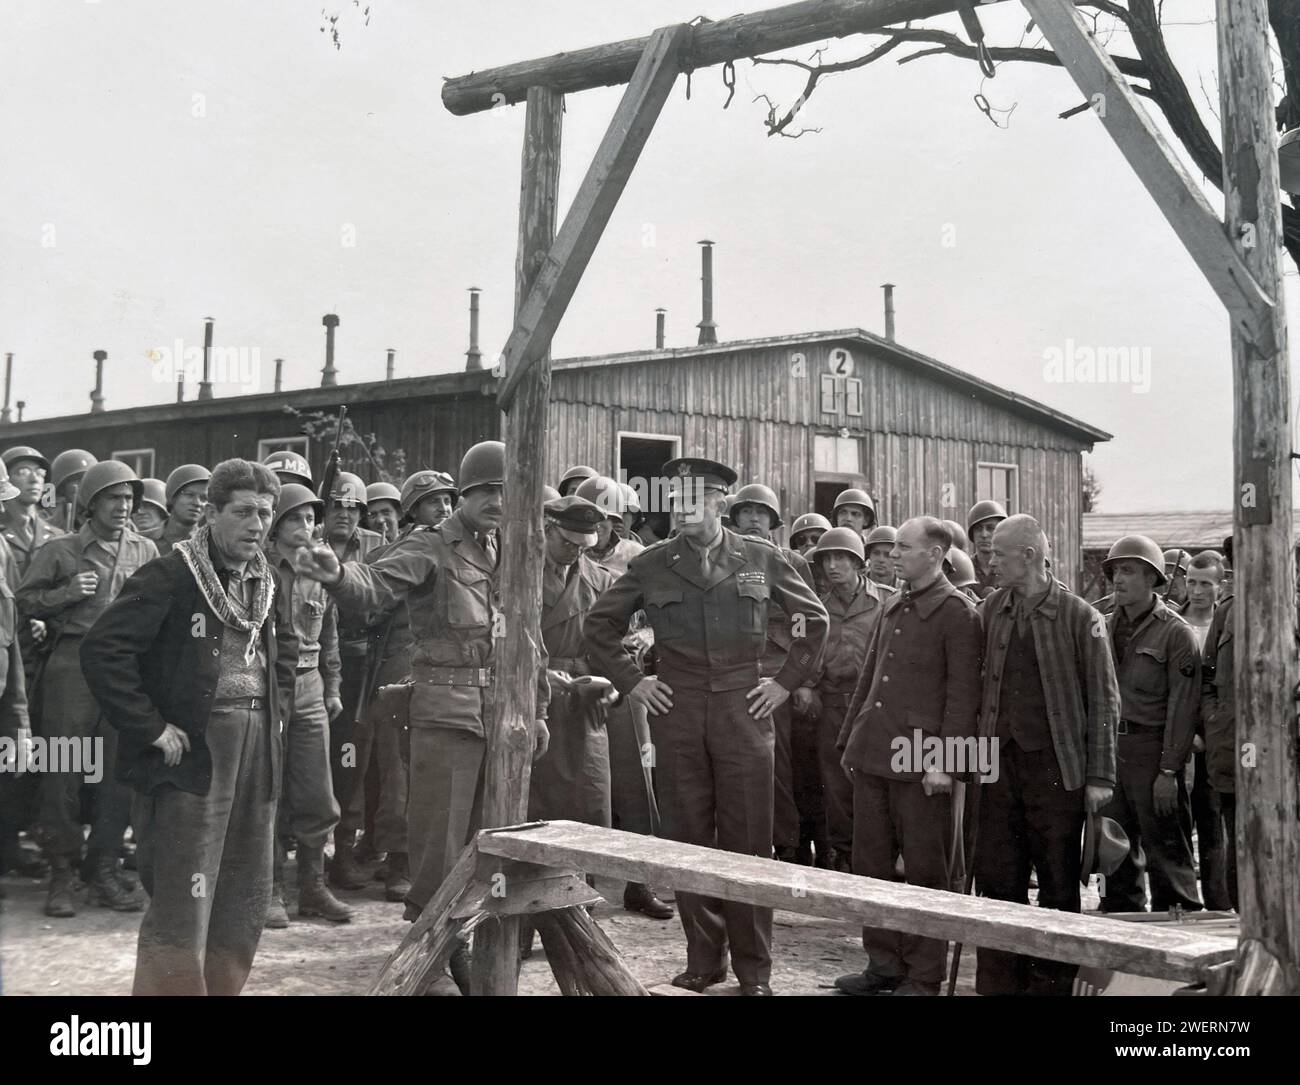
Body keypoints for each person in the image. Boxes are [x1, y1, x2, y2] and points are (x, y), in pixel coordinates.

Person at [293, 441, 549, 991]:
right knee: (439, 844)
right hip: (444, 714)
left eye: (505, 492)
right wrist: (337, 574)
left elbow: (529, 636)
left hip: (502, 718)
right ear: (463, 495)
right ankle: (429, 948)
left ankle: (473, 944)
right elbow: (374, 587)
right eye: (483, 491)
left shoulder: (514, 548)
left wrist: (539, 707)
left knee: (492, 841)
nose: (495, 502)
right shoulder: (430, 546)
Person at [585, 457, 828, 996]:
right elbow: (599, 627)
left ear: (722, 504)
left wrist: (785, 682)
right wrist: (635, 682)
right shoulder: (652, 564)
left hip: (746, 710)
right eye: (675, 501)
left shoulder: (760, 559)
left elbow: (813, 619)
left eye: (695, 500)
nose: (683, 510)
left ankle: (754, 972)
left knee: (748, 843)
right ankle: (704, 960)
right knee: (687, 837)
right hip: (678, 710)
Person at [81, 458, 294, 995]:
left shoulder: (267, 580)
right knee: (183, 898)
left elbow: (284, 657)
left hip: (256, 747)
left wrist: (276, 723)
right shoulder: (170, 574)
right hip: (194, 755)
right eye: (243, 512)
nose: (256, 525)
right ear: (212, 513)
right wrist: (150, 727)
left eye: (265, 514)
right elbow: (103, 649)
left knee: (244, 892)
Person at [973, 515, 1120, 995]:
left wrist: (1100, 775)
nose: (990, 561)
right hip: (997, 765)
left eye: (999, 554)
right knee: (998, 876)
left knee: (1058, 879)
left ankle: (1051, 983)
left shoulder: (1080, 617)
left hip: (1058, 769)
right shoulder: (992, 609)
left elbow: (1104, 699)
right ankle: (1000, 983)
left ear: (1030, 556)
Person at [835, 517, 981, 997]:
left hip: (922, 761)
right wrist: (849, 742)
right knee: (870, 865)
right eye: (892, 546)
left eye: (905, 547)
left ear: (937, 554)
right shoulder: (894, 603)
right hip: (875, 752)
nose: (893, 554)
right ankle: (884, 964)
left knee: (924, 870)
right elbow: (870, 679)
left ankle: (923, 975)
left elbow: (963, 697)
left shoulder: (958, 612)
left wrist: (945, 763)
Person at [19, 460, 158, 918]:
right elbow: (25, 600)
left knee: (119, 771)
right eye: (114, 498)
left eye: (130, 499)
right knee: (65, 767)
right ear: (91, 503)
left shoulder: (146, 550)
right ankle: (62, 869)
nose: (124, 506)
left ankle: (103, 867)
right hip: (72, 663)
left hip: (123, 669)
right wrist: (67, 595)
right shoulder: (62, 550)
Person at [575, 475, 670, 919]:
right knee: (581, 785)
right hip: (576, 679)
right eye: (595, 519)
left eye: (612, 520)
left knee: (638, 781)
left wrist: (646, 637)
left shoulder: (641, 558)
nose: (603, 529)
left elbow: (656, 617)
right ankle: (581, 885)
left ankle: (639, 882)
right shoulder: (564, 553)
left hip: (627, 678)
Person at [1097, 535, 1202, 913]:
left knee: (1168, 859)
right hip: (1111, 755)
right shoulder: (1102, 628)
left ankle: (1179, 952)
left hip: (1153, 754)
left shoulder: (1176, 633)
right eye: (1114, 572)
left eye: (1128, 571)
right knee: (1114, 858)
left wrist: (1169, 770)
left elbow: (1183, 707)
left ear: (1151, 578)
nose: (1118, 579)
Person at [264, 483, 350, 926]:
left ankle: (313, 887)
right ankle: (269, 890)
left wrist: (332, 687)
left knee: (317, 791)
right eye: (296, 518)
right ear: (276, 524)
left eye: (312, 518)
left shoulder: (320, 567)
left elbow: (330, 633)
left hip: (311, 684)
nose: (307, 526)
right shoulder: (258, 568)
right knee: (270, 788)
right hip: (267, 685)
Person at [729, 482, 818, 864]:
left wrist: (800, 681)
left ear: (773, 522)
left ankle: (785, 844)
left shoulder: (790, 563)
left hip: (775, 677)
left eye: (760, 513)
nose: (752, 519)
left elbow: (807, 622)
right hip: (733, 674)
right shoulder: (722, 560)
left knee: (776, 763)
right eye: (745, 512)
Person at [806, 527, 891, 873]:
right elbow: (807, 652)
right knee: (835, 782)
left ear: (858, 563)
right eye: (827, 559)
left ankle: (878, 857)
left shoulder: (886, 601)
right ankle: (844, 855)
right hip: (833, 705)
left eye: (841, 558)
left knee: (873, 781)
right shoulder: (816, 608)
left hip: (874, 707)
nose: (833, 566)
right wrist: (806, 686)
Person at [529, 496, 617, 825]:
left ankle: (587, 876)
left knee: (590, 792)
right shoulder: (519, 575)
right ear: (547, 531)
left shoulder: (601, 580)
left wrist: (612, 682)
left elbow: (612, 642)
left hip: (585, 699)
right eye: (568, 543)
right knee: (537, 796)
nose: (577, 552)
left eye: (584, 546)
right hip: (534, 694)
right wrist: (538, 675)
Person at [318, 471, 384, 889]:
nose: (344, 514)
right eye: (337, 506)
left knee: (351, 761)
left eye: (353, 507)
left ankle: (343, 852)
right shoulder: (307, 545)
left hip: (360, 665)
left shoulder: (377, 549)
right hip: (311, 665)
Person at [0, 446, 61, 881]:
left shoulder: (53, 536)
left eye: (40, 472)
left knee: (23, 750)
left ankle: (14, 840)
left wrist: (44, 624)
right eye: (23, 471)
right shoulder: (4, 537)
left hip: (34, 655)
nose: (33, 478)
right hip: (13, 649)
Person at [1186, 550, 1231, 911]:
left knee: (1213, 824)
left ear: (1221, 585)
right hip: (1179, 740)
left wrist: (1209, 732)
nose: (1197, 591)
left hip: (1215, 740)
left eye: (1205, 584)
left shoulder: (1224, 623)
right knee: (1178, 825)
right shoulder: (1174, 622)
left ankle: (1219, 905)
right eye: (1191, 582)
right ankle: (1184, 906)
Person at [1200, 549, 1237, 911]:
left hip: (1286, 754)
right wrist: (1215, 720)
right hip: (1231, 749)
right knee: (1237, 854)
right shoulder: (1227, 612)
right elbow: (1208, 677)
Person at [158, 464, 211, 556]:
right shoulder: (142, 542)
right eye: (189, 495)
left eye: (204, 498)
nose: (197, 503)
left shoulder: (210, 546)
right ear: (173, 497)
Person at [966, 500, 1007, 600]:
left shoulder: (1010, 569)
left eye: (990, 528)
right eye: (978, 529)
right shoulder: (964, 568)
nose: (984, 534)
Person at [48, 449, 97, 533]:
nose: (85, 486)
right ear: (62, 488)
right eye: (79, 480)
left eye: (89, 480)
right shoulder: (47, 527)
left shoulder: (104, 523)